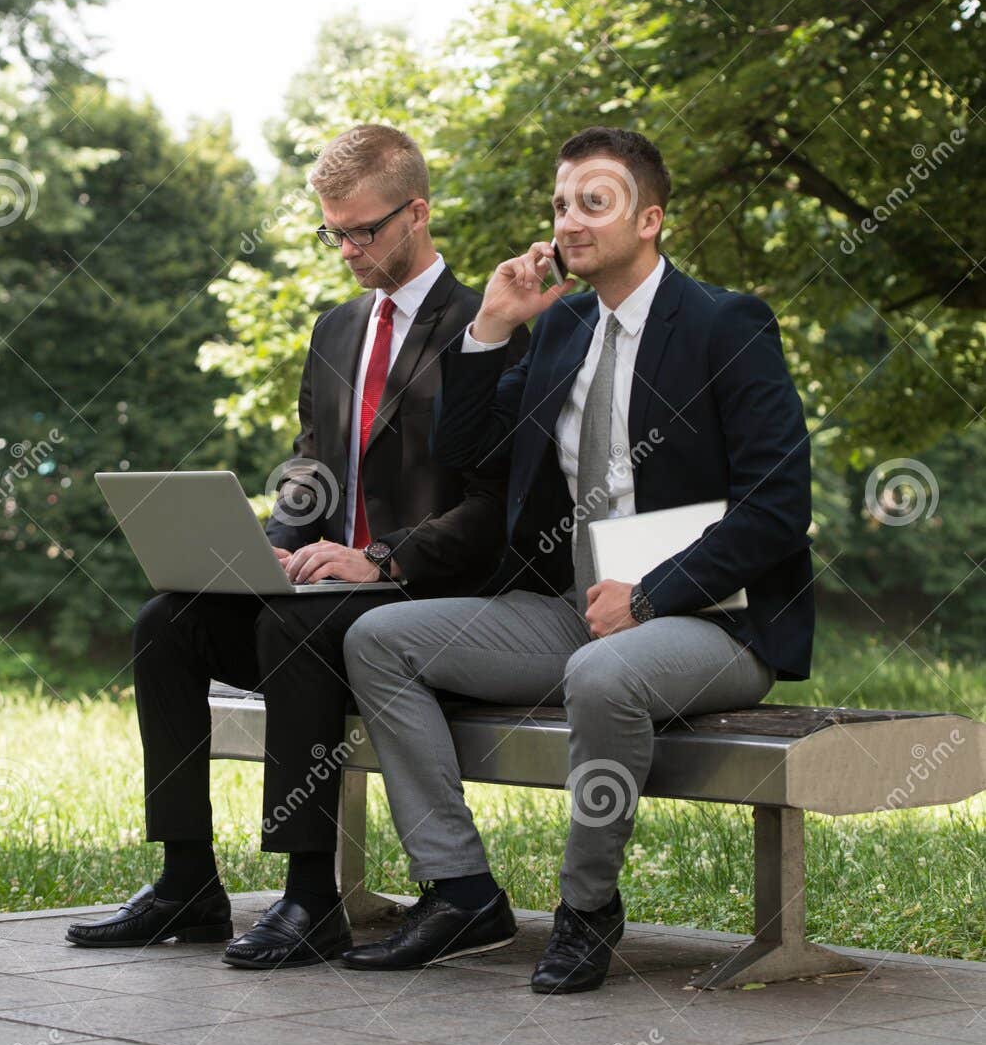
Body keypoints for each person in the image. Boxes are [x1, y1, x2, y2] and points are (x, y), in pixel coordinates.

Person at [341, 125, 814, 993]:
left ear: (650, 220)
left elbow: (779, 510)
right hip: (576, 606)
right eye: (560, 204)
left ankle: (587, 909)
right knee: (380, 639)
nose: (569, 221)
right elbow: (469, 453)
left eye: (594, 202)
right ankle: (460, 890)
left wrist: (650, 597)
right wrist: (488, 330)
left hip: (717, 619)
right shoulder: (559, 332)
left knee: (602, 675)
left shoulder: (725, 324)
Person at [66, 124, 525, 968]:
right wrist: (273, 548)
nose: (347, 249)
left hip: (429, 598)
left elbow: (495, 507)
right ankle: (187, 882)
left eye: (364, 230)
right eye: (332, 232)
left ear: (417, 213)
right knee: (168, 621)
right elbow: (313, 470)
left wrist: (381, 559)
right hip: (327, 590)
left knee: (296, 631)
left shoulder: (491, 324)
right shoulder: (335, 329)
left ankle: (311, 900)